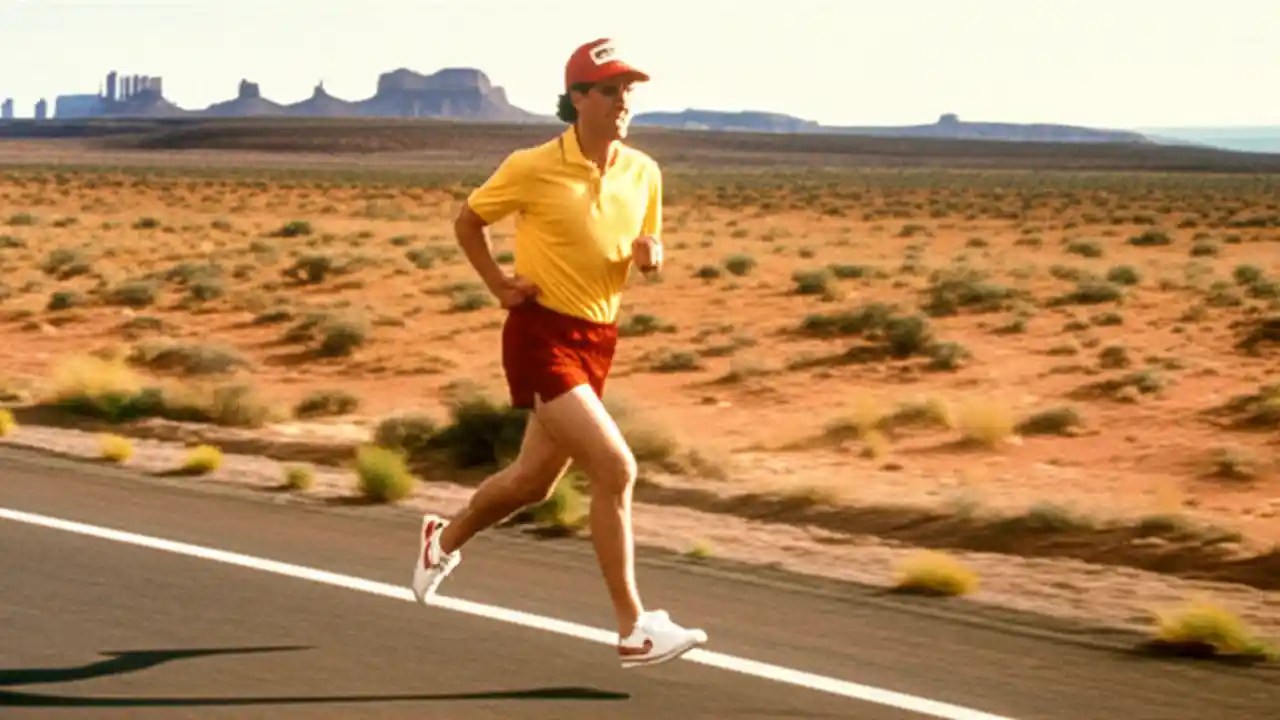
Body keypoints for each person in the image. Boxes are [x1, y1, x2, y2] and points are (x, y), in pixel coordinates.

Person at [410, 37, 708, 669]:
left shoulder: (644, 171)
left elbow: (646, 239)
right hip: (540, 333)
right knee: (616, 468)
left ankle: (443, 539)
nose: (624, 100)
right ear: (577, 98)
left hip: (598, 338)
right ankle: (634, 628)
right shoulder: (531, 165)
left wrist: (651, 255)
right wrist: (497, 284)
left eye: (629, 89)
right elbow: (468, 221)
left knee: (532, 484)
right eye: (610, 90)